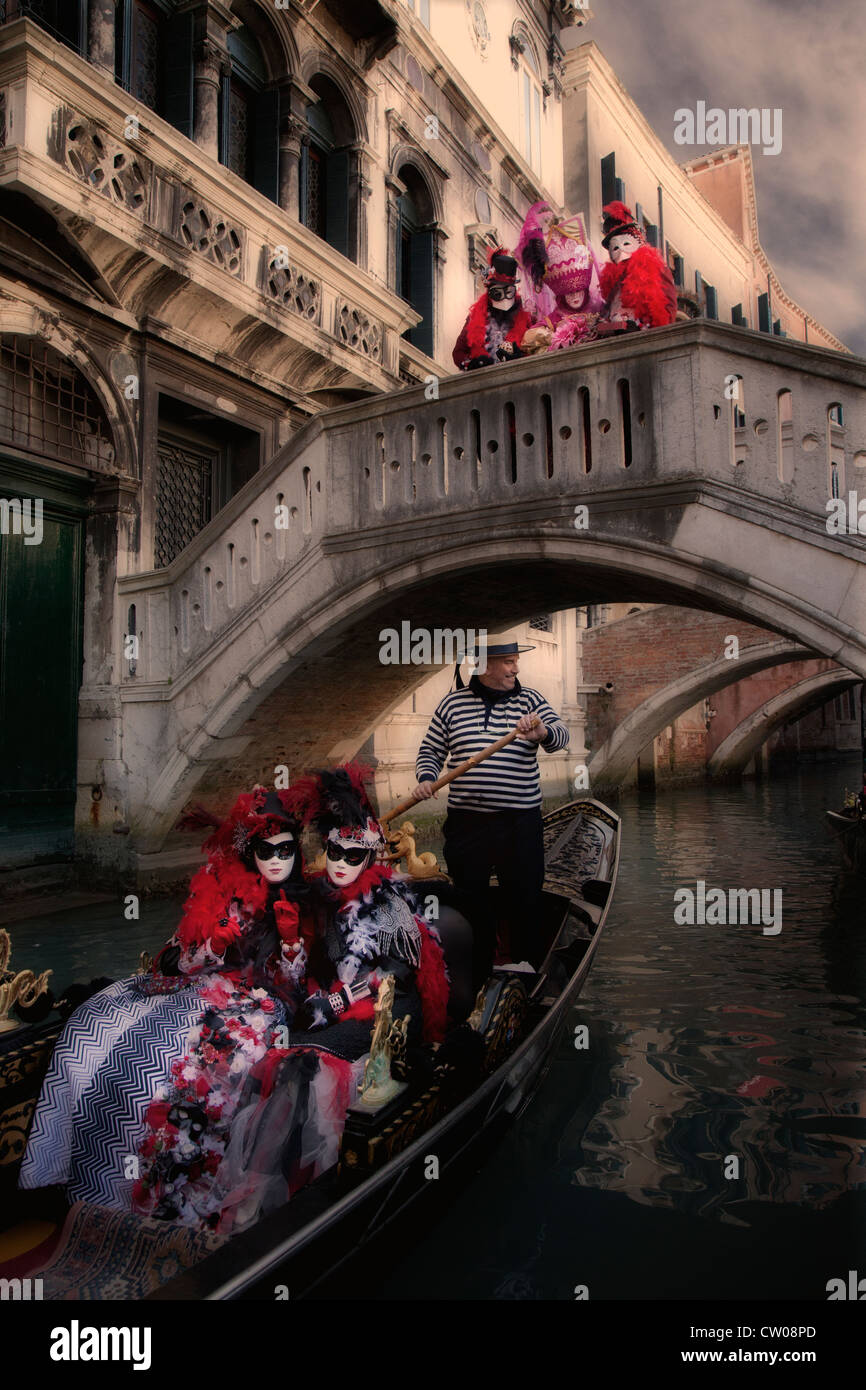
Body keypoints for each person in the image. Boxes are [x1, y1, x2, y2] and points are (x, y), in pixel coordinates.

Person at [19, 787, 311, 1230]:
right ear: (248, 851)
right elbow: (182, 955)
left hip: (261, 1002)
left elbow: (294, 985)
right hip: (200, 987)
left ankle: (145, 1196)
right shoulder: (225, 889)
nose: (274, 859)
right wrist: (213, 945)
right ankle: (63, 1174)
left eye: (285, 850)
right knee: (94, 1024)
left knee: (178, 1067)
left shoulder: (308, 900)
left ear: (296, 850)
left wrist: (291, 943)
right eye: (264, 849)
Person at [412, 635, 569, 982]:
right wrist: (426, 778)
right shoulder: (451, 705)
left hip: (519, 822)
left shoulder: (530, 701)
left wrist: (541, 732)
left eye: (515, 660)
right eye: (508, 661)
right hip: (467, 824)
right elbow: (431, 750)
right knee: (469, 897)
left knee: (524, 894)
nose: (516, 667)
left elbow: (561, 737)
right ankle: (477, 968)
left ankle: (526, 966)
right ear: (483, 666)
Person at [515, 201, 604, 349]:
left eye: (577, 291)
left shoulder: (599, 309)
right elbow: (529, 338)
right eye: (569, 293)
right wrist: (554, 335)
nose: (575, 297)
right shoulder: (555, 318)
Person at [596, 201, 677, 333]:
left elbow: (667, 311)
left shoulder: (656, 269)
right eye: (615, 248)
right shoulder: (614, 282)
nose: (621, 251)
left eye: (626, 243)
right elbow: (606, 312)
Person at [452, 247, 532, 371]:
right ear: (490, 292)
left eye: (508, 292)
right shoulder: (474, 318)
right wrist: (473, 363)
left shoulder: (527, 316)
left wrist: (519, 356)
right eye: (497, 293)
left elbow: (536, 348)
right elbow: (458, 352)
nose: (504, 298)